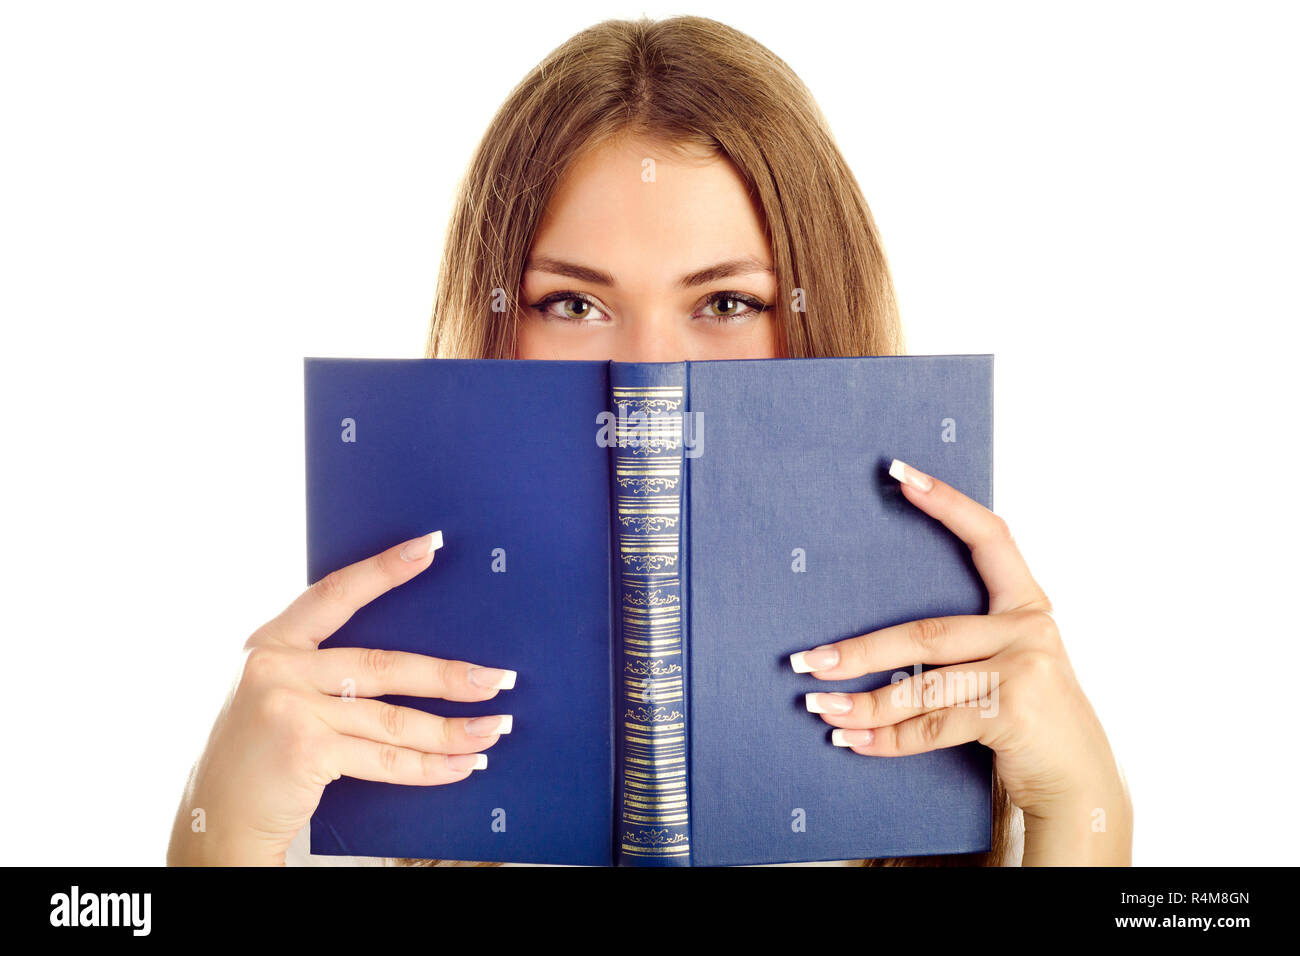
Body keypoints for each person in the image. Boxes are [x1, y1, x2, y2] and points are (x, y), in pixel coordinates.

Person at [167, 15, 1132, 868]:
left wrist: (1086, 818)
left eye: (727, 302)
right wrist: (217, 849)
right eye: (575, 303)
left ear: (815, 315)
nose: (650, 379)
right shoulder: (329, 771)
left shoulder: (983, 757)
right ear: (497, 320)